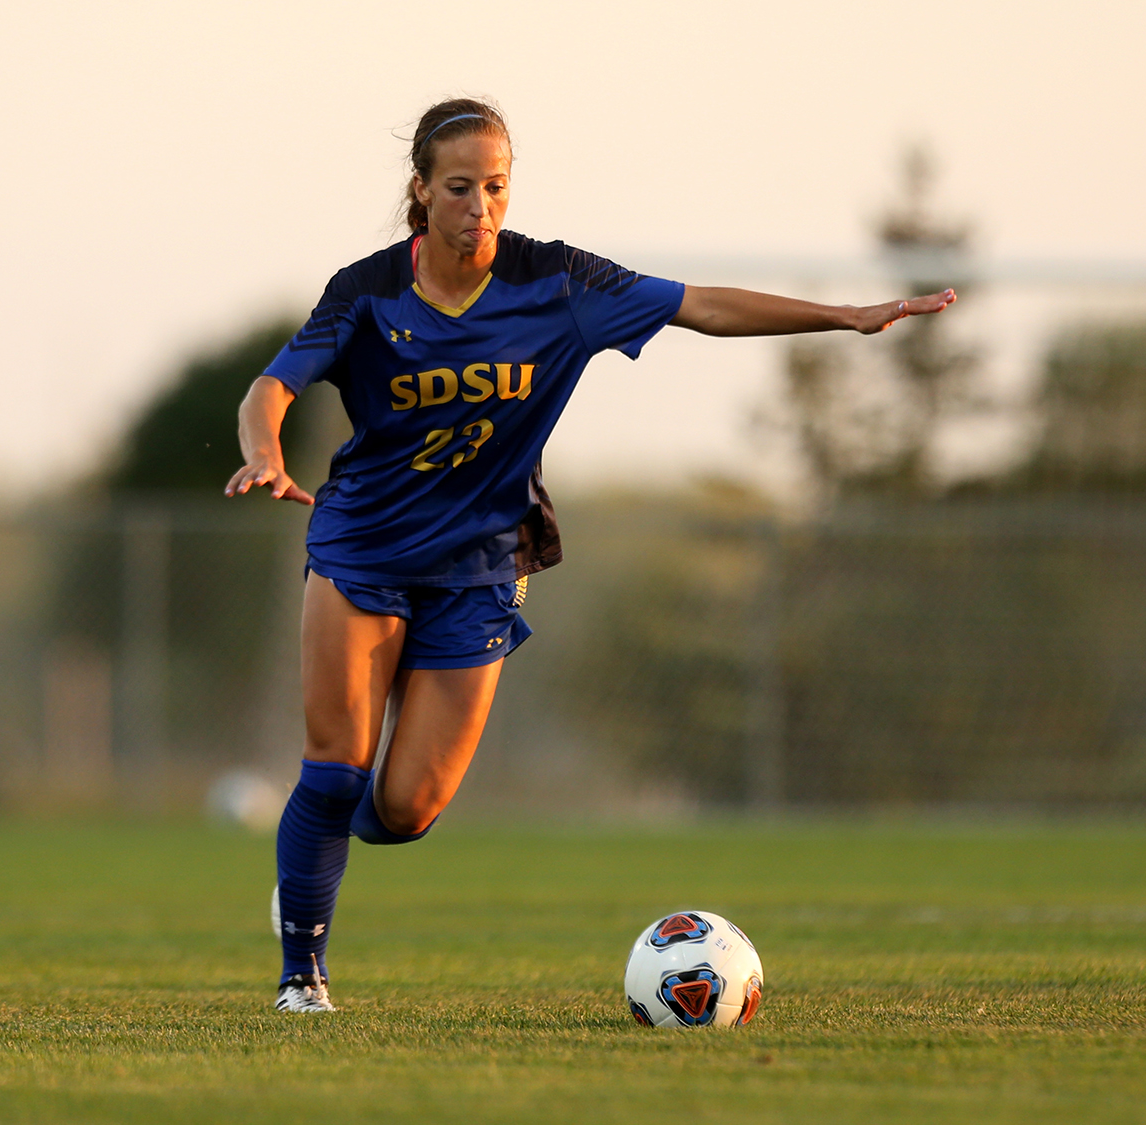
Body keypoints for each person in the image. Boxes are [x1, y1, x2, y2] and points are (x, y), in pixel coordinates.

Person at [225, 98, 955, 1012]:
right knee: (333, 765)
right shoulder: (368, 290)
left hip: (481, 567)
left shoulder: (559, 283)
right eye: (459, 188)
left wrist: (843, 317)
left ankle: (317, 842)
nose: (480, 206)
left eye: (496, 186)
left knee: (406, 811)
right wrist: (264, 449)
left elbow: (703, 306)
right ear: (421, 191)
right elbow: (272, 386)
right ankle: (303, 976)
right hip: (361, 549)